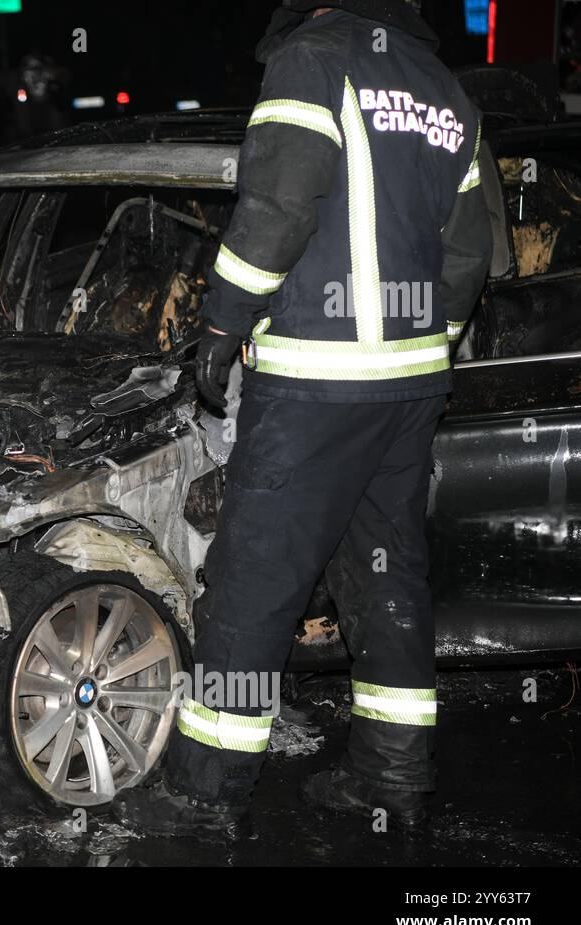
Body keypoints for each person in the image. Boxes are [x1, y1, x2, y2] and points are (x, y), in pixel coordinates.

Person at [114, 0, 492, 836]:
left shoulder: (313, 60)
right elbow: (471, 252)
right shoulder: (441, 88)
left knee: (254, 584)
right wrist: (426, 337)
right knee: (389, 581)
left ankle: (202, 792)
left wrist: (221, 322)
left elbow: (277, 207)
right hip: (410, 386)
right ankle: (394, 779)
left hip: (319, 382)